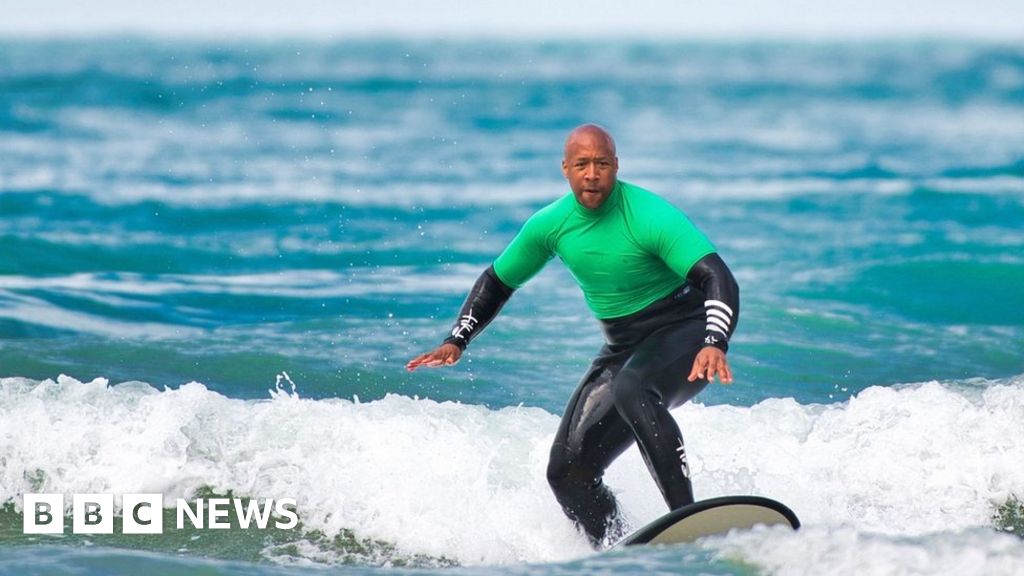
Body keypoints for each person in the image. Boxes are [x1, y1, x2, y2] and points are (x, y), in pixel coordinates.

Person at [406, 124, 739, 547]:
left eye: (602, 163)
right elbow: (498, 281)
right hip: (623, 345)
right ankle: (616, 547)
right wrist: (458, 339)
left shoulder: (650, 215)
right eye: (582, 164)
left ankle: (686, 522)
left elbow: (717, 277)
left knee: (634, 388)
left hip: (686, 333)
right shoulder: (551, 225)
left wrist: (714, 341)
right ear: (566, 169)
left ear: (616, 166)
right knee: (567, 473)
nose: (592, 174)